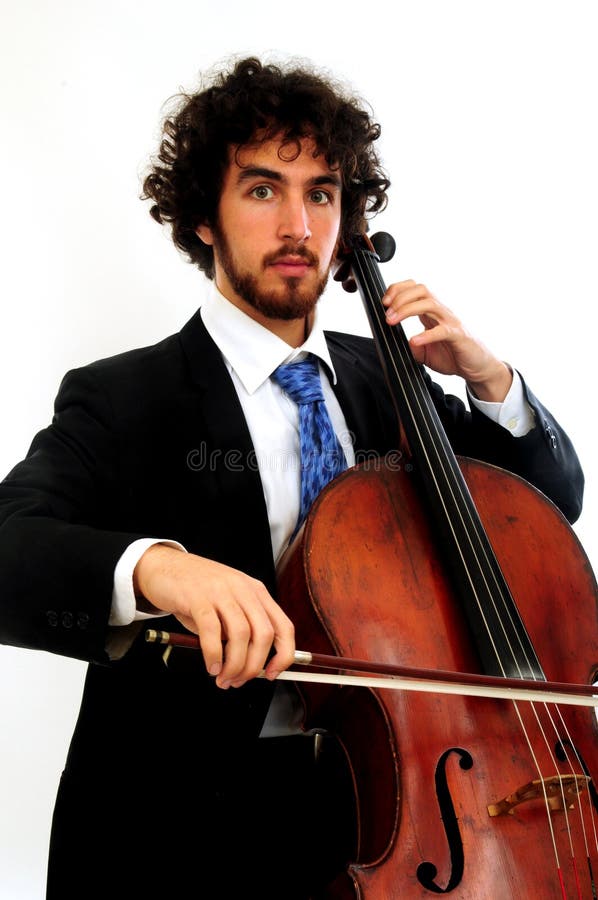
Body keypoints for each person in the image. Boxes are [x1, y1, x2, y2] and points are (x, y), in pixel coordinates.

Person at [0, 55, 584, 899]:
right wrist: (157, 565)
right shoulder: (123, 397)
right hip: (185, 832)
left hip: (402, 806)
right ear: (204, 215)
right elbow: (10, 547)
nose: (299, 227)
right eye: (263, 189)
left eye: (321, 194)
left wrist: (494, 384)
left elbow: (542, 516)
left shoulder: (393, 383)